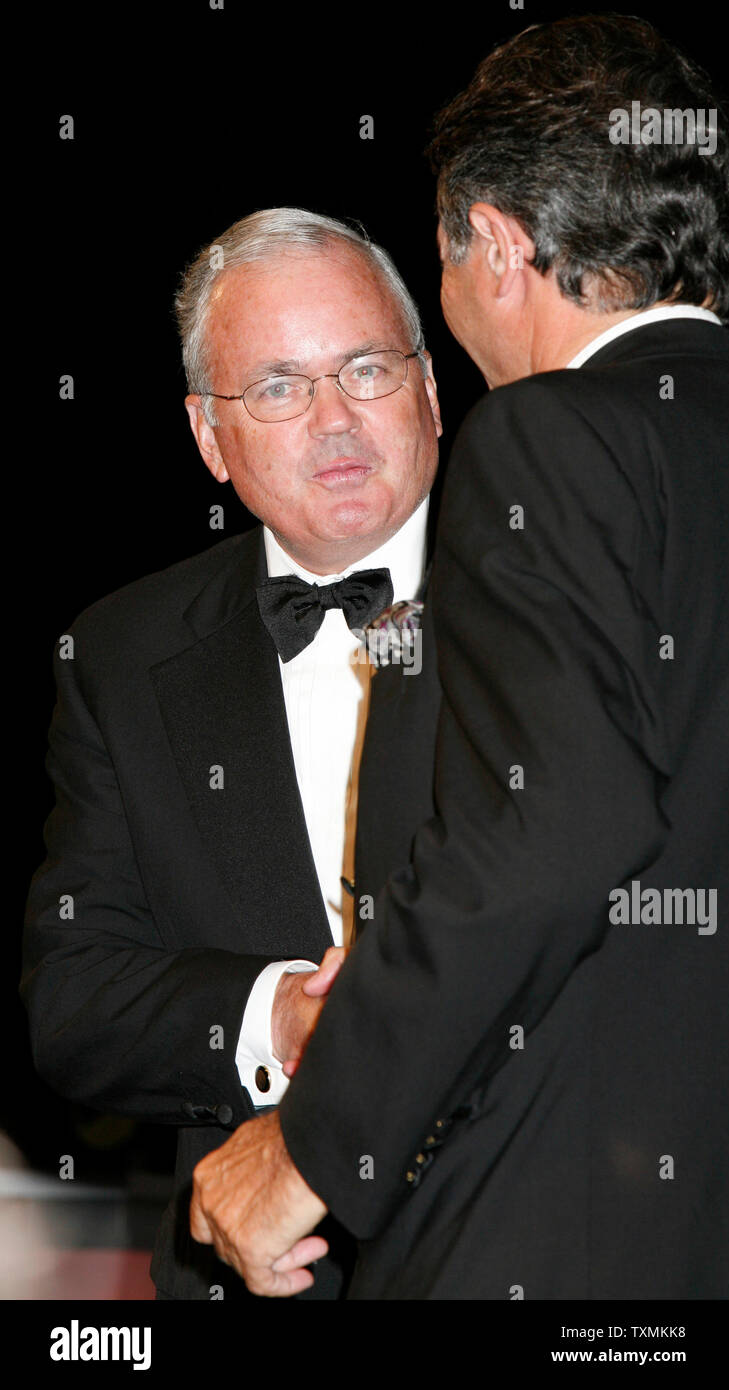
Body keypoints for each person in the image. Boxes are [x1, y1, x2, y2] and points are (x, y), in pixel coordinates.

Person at [189, 16, 729, 1300]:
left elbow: (558, 821)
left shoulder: (550, 435)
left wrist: (309, 1145)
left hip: (562, 1245)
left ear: (492, 241)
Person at [22, 207, 443, 1300]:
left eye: (366, 367)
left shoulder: (559, 589)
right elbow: (74, 998)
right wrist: (279, 1013)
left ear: (431, 386)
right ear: (209, 438)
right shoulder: (121, 654)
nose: (335, 419)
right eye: (277, 388)